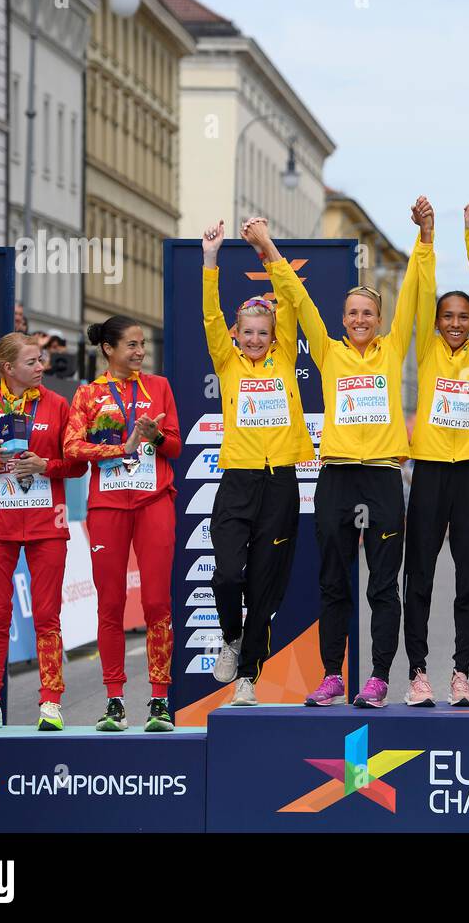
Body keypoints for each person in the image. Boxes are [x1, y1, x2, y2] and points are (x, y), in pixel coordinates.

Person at [293, 197, 422, 708]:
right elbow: (299, 302)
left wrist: (424, 237)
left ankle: (379, 678)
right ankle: (331, 675)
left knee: (383, 586)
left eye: (369, 313)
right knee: (334, 581)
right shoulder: (328, 351)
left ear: (379, 318)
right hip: (339, 476)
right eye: (353, 313)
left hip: (385, 476)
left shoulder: (392, 351)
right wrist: (268, 251)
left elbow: (413, 293)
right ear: (343, 319)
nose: (361, 319)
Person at [201, 216, 314, 706]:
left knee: (265, 585)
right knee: (228, 575)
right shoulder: (226, 363)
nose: (253, 340)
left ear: (273, 336)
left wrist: (267, 250)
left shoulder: (284, 357)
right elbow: (210, 317)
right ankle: (230, 637)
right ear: (237, 334)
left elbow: (288, 303)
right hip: (239, 481)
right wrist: (211, 260)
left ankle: (248, 674)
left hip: (280, 483)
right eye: (246, 332)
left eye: (261, 333)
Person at [401, 199, 469, 706]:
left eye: (464, 317)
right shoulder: (427, 346)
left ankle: (460, 671)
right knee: (417, 575)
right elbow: (420, 291)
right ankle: (418, 673)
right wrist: (428, 237)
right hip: (432, 471)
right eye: (448, 317)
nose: (456, 323)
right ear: (436, 322)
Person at [62, 316, 180, 732]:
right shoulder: (88, 394)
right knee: (110, 604)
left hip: (153, 502)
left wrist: (156, 438)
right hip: (108, 507)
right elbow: (71, 447)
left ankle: (160, 701)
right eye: (130, 345)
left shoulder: (159, 387)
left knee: (156, 603)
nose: (139, 352)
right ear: (109, 349)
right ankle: (115, 701)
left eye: (142, 344)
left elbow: (177, 445)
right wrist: (120, 447)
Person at [0, 333, 87, 730]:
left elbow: (76, 465)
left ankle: (50, 702)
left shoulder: (57, 404)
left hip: (45, 524)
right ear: (8, 369)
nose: (42, 367)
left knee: (47, 615)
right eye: (33, 362)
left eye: (41, 360)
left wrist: (44, 465)